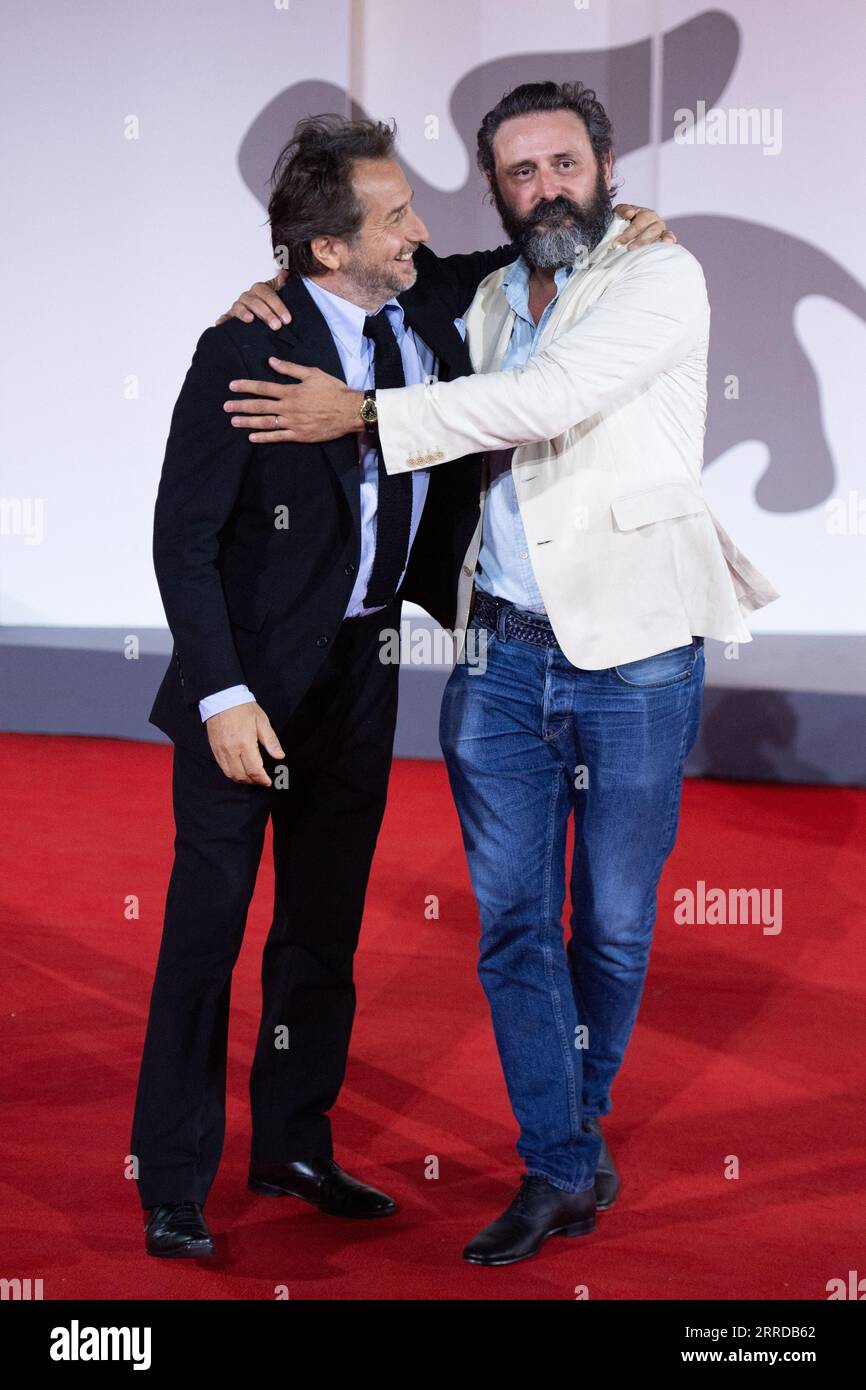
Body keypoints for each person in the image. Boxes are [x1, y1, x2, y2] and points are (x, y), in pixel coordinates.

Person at [220, 82, 780, 1266]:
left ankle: (575, 1126)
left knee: (614, 929)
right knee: (513, 924)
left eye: (561, 164)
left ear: (605, 162)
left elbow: (546, 398)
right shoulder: (474, 289)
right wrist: (270, 289)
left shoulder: (655, 277)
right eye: (518, 173)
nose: (544, 189)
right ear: (497, 190)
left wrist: (367, 414)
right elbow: (358, 273)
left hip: (633, 656)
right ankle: (557, 1164)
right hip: (497, 656)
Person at [133, 107, 669, 1259]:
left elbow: (531, 243)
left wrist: (620, 220)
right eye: (393, 218)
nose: (420, 230)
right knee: (206, 934)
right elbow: (182, 539)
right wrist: (223, 698)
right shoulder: (244, 345)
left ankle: (292, 1144)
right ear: (327, 251)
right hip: (249, 690)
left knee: (321, 931)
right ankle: (172, 1181)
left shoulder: (424, 304)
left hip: (363, 670)